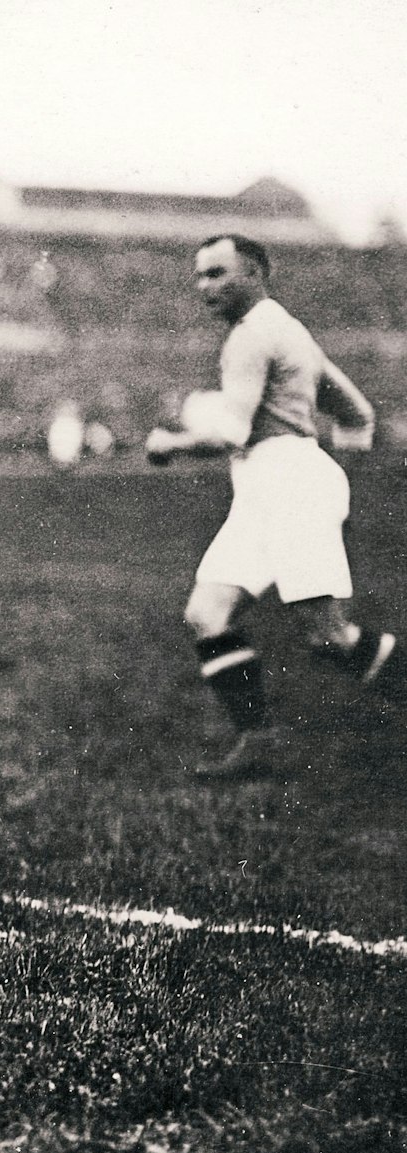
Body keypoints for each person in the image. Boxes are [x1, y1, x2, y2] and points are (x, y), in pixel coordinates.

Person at [144, 233, 397, 779]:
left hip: (288, 484)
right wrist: (337, 479)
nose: (203, 287)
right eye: (199, 275)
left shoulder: (251, 337)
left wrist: (169, 444)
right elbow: (357, 415)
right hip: (272, 485)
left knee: (329, 637)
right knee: (206, 614)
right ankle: (256, 742)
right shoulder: (291, 331)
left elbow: (230, 431)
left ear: (255, 273)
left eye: (217, 273)